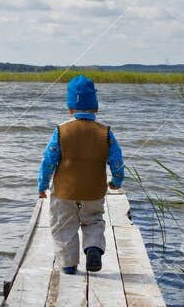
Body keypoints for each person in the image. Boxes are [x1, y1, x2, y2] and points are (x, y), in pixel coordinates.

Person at [36, 74, 125, 275]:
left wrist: (42, 185)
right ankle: (93, 248)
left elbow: (48, 161)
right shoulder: (105, 132)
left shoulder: (61, 131)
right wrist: (116, 181)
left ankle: (68, 265)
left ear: (69, 108)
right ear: (96, 107)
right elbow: (117, 161)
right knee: (93, 220)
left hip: (64, 191)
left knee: (64, 226)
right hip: (94, 191)